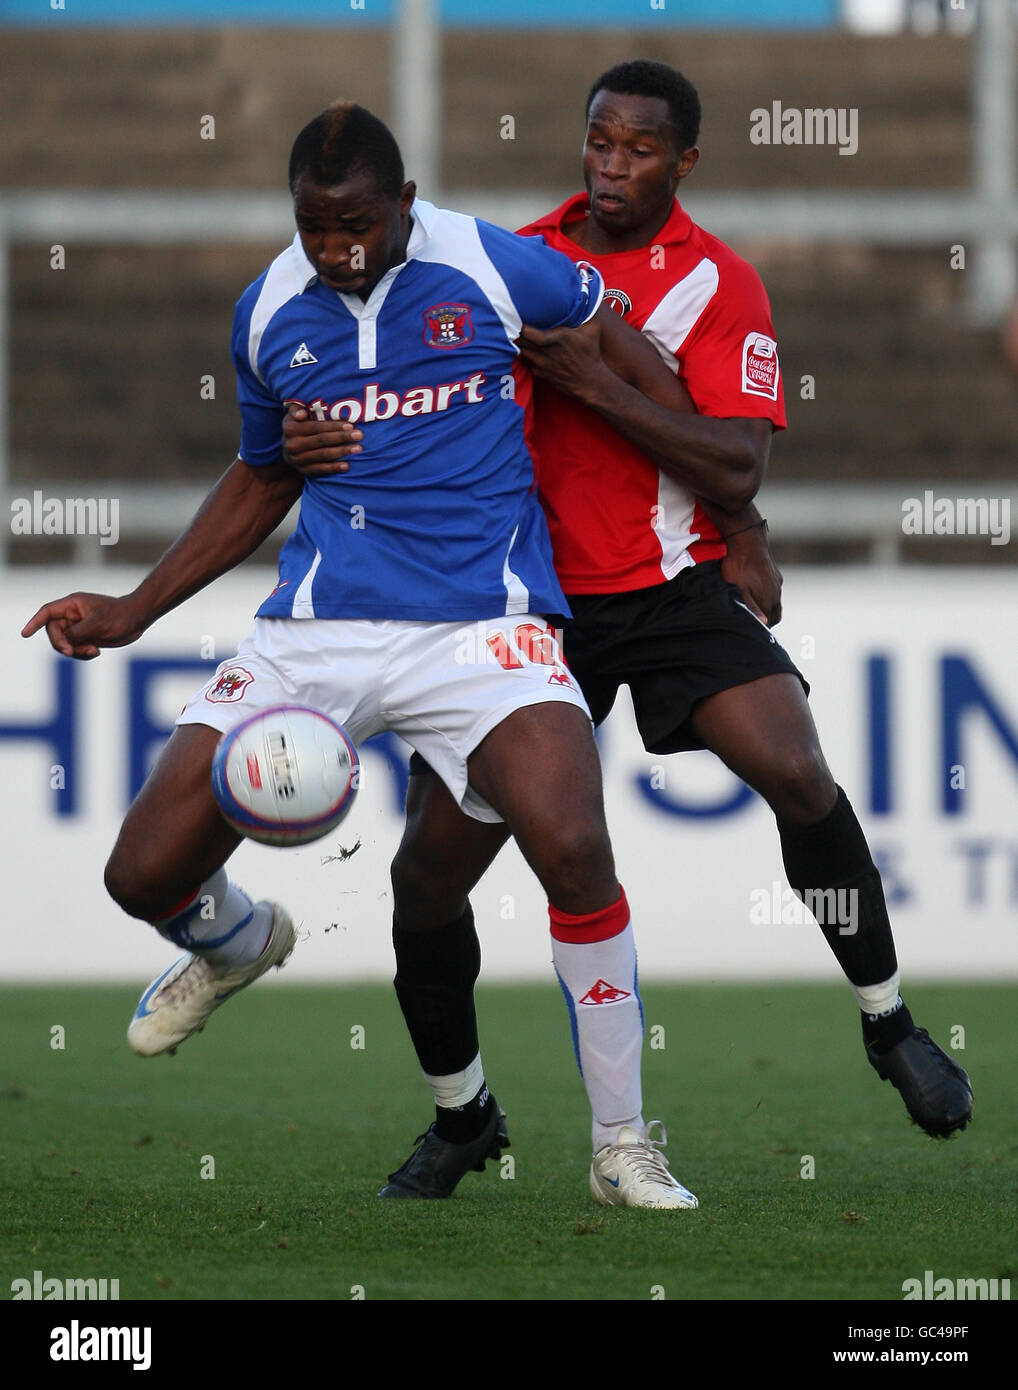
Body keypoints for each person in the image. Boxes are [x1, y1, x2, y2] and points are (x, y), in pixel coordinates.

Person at [21, 98, 754, 1211]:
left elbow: (629, 359)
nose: (336, 248)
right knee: (141, 872)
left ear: (407, 204)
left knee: (573, 844)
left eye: (357, 222)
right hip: (317, 626)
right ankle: (236, 940)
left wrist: (733, 512)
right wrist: (132, 609)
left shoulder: (501, 266)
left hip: (484, 624)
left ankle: (620, 1145)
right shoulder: (269, 308)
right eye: (315, 226)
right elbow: (261, 474)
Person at [284, 61, 973, 1207]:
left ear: (682, 161)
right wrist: (311, 431)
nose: (609, 167)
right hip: (522, 610)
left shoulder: (719, 284)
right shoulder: (510, 258)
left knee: (797, 770)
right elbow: (391, 374)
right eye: (597, 143)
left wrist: (667, 452)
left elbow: (733, 459)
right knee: (425, 878)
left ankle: (887, 1019)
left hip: (667, 591)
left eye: (637, 150)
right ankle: (463, 1117)